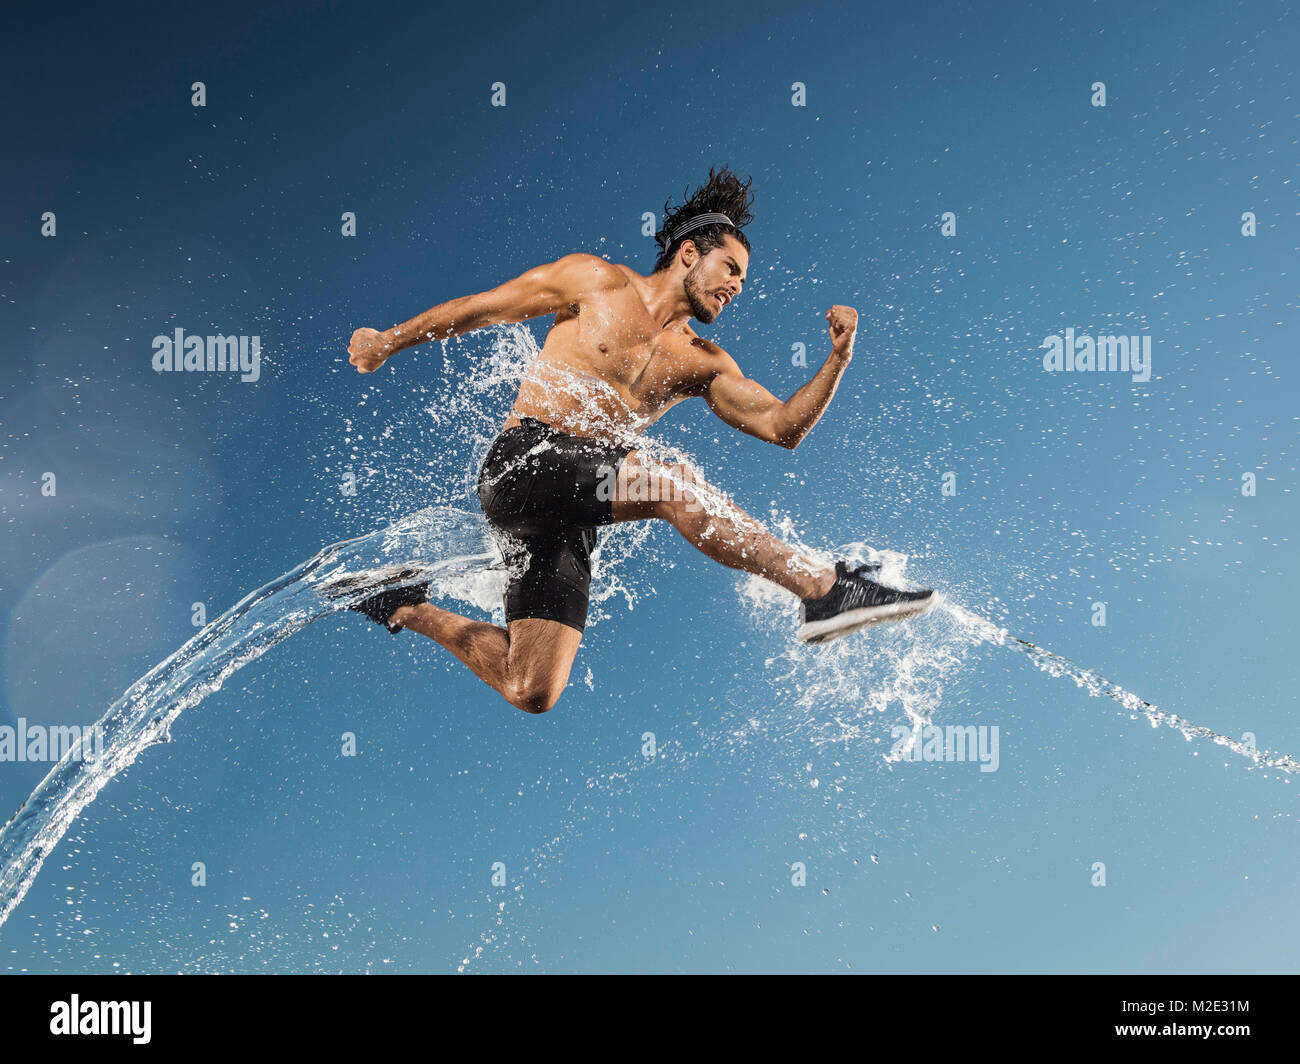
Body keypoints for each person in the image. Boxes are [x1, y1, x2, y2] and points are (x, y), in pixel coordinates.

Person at [344, 166, 934, 714]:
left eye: (743, 280)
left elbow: (782, 428)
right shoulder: (596, 281)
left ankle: (401, 603)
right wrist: (387, 342)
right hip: (525, 464)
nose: (737, 286)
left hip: (573, 511)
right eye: (730, 268)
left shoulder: (703, 362)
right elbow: (484, 308)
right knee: (672, 483)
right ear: (688, 254)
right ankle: (823, 590)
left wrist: (838, 360)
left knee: (532, 688)